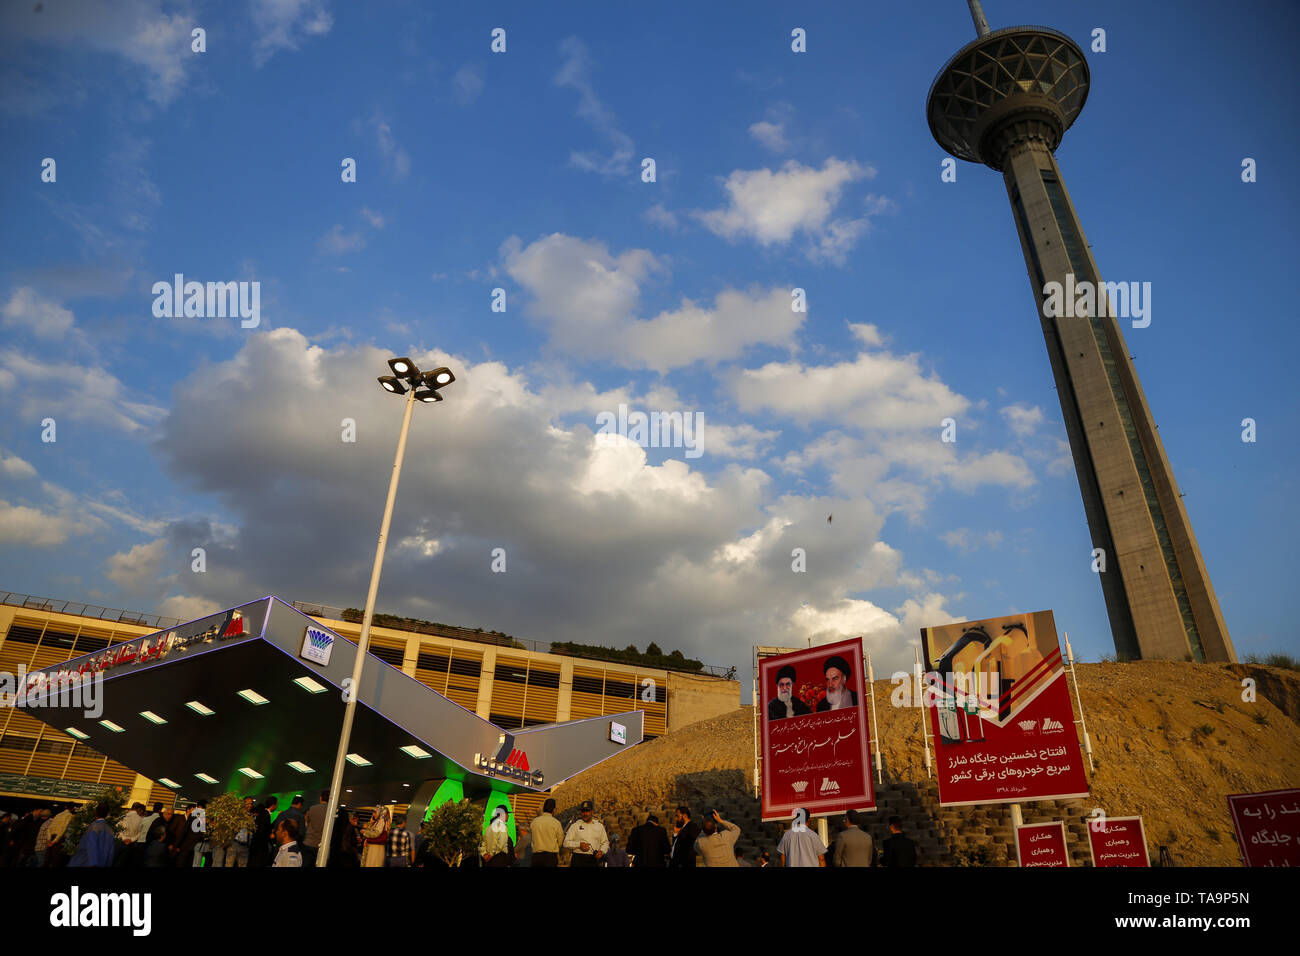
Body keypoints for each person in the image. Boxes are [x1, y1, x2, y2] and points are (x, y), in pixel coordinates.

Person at [68, 803, 116, 867]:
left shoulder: (93, 827)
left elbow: (92, 846)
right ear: (107, 814)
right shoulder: (110, 830)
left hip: (87, 863)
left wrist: (92, 863)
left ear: (95, 812)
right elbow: (111, 852)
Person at [563, 800, 608, 867]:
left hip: (593, 860)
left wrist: (601, 851)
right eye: (583, 811)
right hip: (578, 860)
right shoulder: (575, 826)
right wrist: (579, 845)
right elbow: (566, 843)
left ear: (592, 812)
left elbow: (605, 842)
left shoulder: (599, 826)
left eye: (587, 811)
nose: (585, 813)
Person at [529, 799, 564, 868]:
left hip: (536, 857)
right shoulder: (556, 823)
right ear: (554, 810)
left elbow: (531, 838)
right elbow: (560, 841)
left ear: (543, 808)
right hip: (550, 858)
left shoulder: (534, 822)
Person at [250, 797, 275, 868]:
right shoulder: (265, 814)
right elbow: (263, 829)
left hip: (258, 844)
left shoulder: (265, 814)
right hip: (260, 845)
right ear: (273, 805)